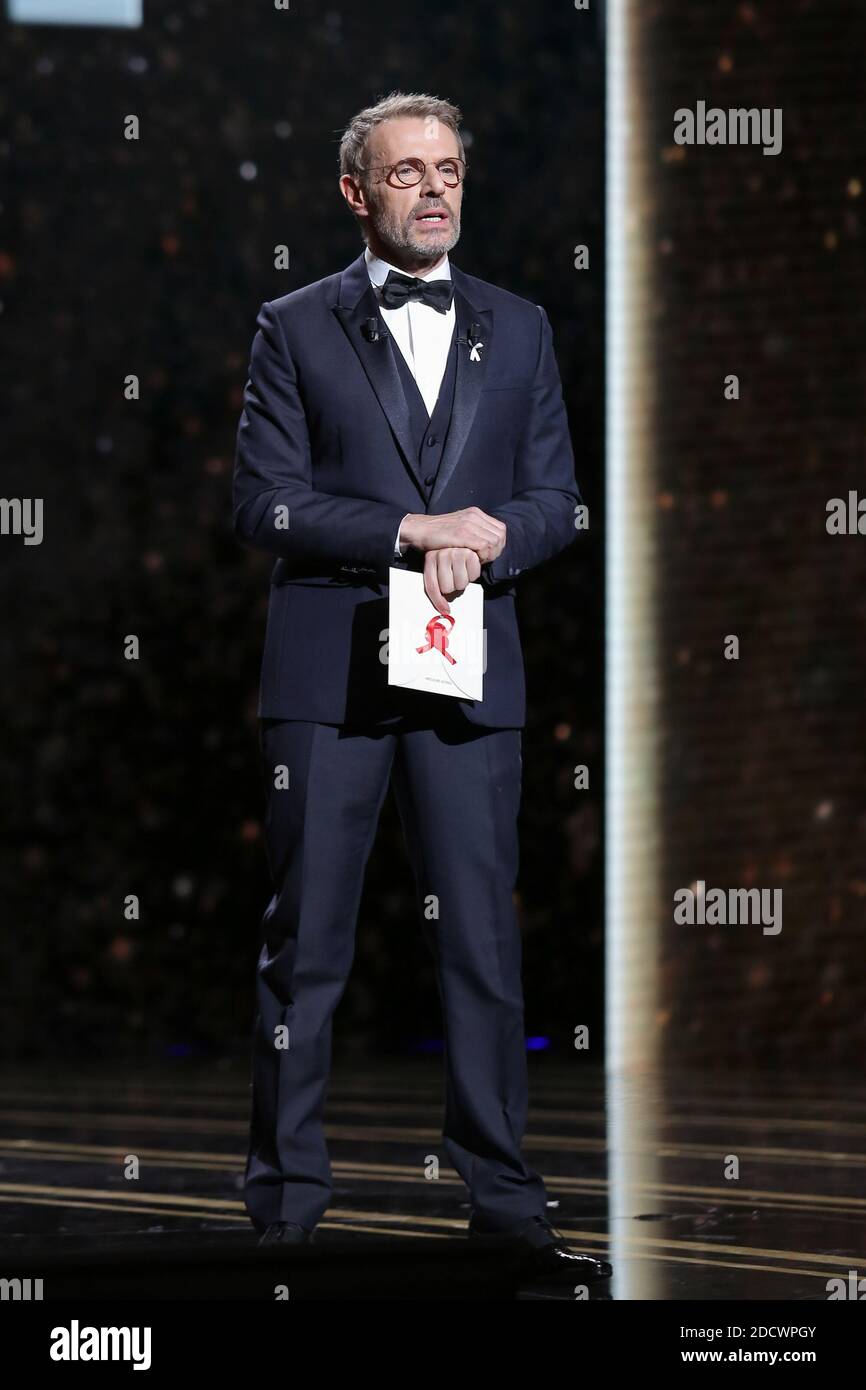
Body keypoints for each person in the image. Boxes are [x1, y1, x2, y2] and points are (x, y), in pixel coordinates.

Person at [233, 90, 610, 1282]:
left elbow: (559, 500)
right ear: (356, 193)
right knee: (308, 947)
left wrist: (492, 534)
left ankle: (504, 1197)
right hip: (328, 676)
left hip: (466, 672)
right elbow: (265, 504)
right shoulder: (292, 325)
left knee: (483, 949)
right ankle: (285, 1206)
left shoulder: (521, 324)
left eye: (448, 168)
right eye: (406, 173)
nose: (435, 188)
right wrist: (409, 527)